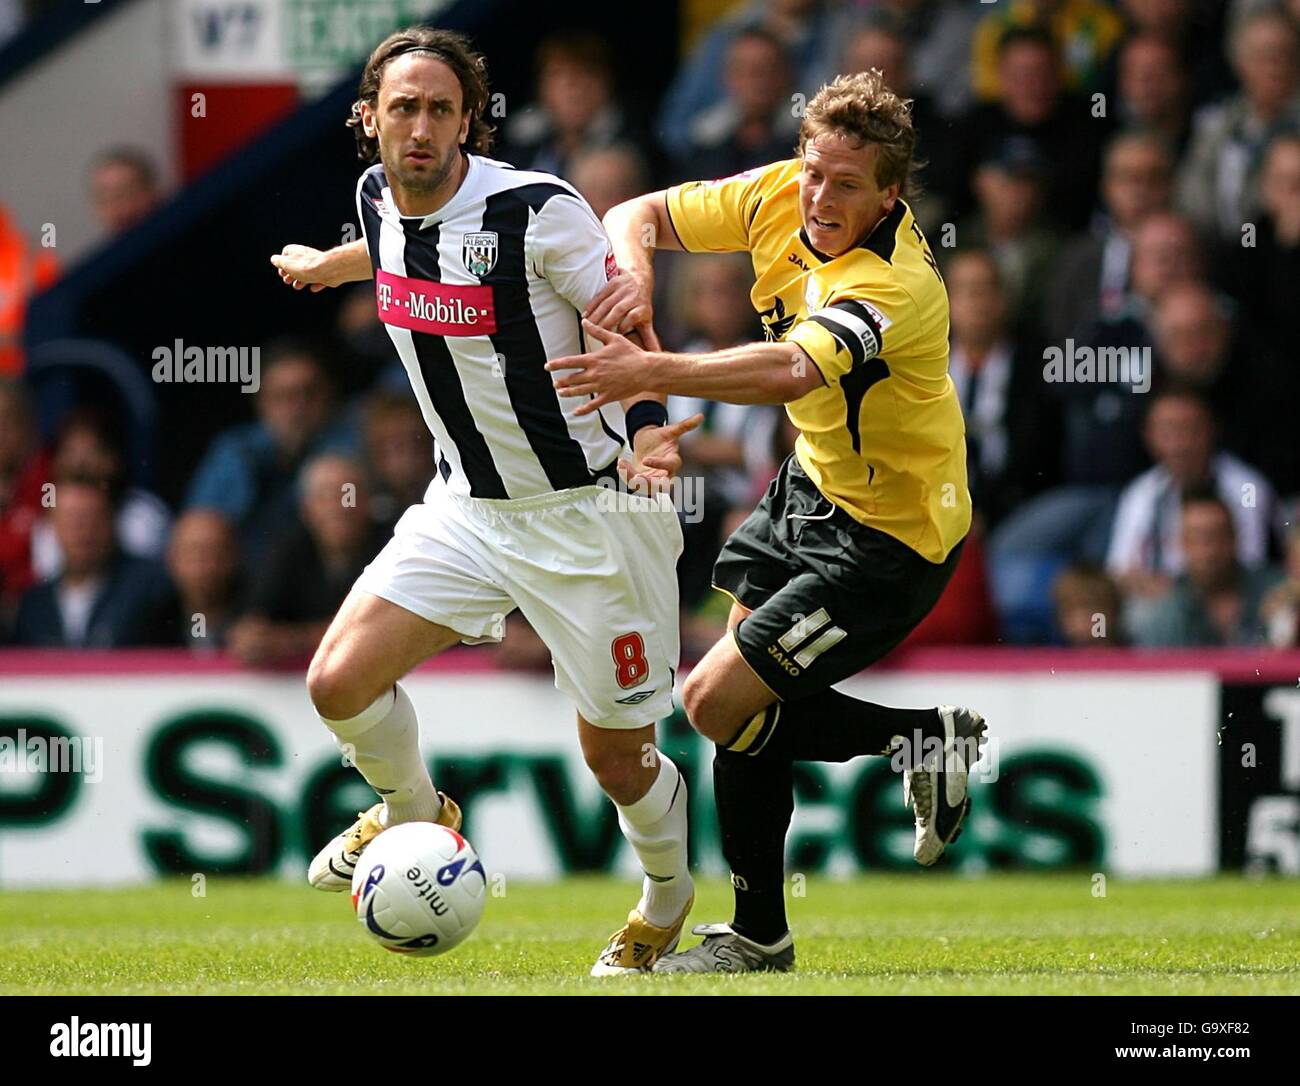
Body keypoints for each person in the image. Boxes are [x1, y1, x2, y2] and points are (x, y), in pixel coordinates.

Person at [268, 27, 700, 975]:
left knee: (618, 760)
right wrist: (325, 264)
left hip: (591, 514)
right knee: (337, 681)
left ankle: (667, 900)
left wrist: (651, 430)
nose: (420, 127)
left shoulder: (540, 211)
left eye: (440, 110)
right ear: (370, 117)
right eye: (402, 108)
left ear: (469, 120)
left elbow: (624, 322)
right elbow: (395, 254)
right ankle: (418, 812)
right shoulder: (376, 196)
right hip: (466, 507)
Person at [550, 69, 985, 972]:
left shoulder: (898, 285)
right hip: (808, 493)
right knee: (744, 708)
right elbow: (638, 211)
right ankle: (760, 937)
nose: (820, 197)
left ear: (890, 195)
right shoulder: (780, 195)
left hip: (891, 539)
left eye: (848, 184)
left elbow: (791, 372)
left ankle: (922, 739)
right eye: (815, 171)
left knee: (713, 703)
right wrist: (635, 289)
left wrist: (651, 374)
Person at [1128, 489, 1282, 648]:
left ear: (1234, 539)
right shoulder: (1163, 616)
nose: (1208, 550)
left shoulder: (1277, 590)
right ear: (1181, 543)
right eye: (1196, 538)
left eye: (1216, 536)